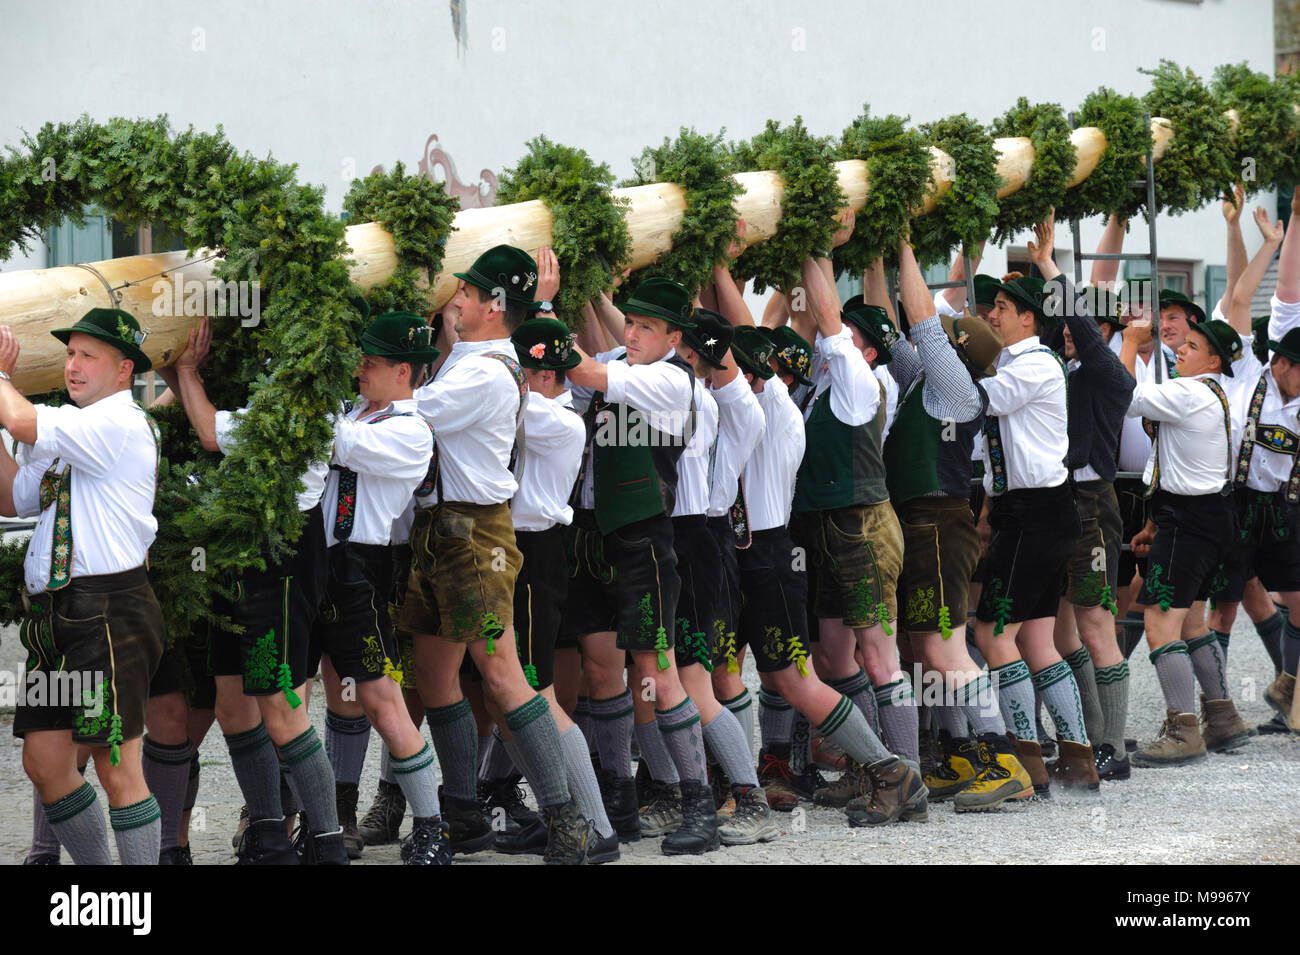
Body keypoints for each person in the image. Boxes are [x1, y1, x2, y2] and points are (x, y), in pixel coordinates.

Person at [404, 244, 592, 863]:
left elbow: (411, 414)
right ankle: (465, 817)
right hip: (440, 531)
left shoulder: (486, 372)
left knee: (506, 677)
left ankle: (568, 820)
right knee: (434, 676)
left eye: (466, 292)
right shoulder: (473, 355)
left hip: (477, 536)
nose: (454, 299)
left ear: (492, 306)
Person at [170, 316, 343, 863]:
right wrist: (184, 378)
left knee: (280, 703)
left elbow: (211, 432)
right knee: (231, 701)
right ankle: (269, 832)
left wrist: (186, 371)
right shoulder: (264, 363)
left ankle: (326, 841)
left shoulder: (311, 380)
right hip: (236, 538)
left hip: (282, 547)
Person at [564, 276, 727, 854]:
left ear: (674, 338)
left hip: (644, 541)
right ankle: (618, 803)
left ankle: (698, 803)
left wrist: (539, 307)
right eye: (629, 324)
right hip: (591, 536)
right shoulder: (627, 359)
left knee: (657, 674)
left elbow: (582, 371)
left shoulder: (668, 380)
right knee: (601, 669)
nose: (631, 334)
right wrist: (585, 295)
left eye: (646, 327)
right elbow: (591, 362)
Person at [0, 307, 166, 865]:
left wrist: (1, 380)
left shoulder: (117, 421)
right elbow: (11, 497)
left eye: (87, 356)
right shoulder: (74, 429)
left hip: (109, 611)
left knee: (115, 763)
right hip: (57, 615)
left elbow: (23, 422)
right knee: (46, 764)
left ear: (124, 371)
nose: (72, 366)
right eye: (69, 353)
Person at [882, 239, 1034, 811]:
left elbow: (920, 321)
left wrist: (904, 240)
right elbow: (894, 333)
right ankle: (959, 752)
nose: (935, 342)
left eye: (946, 342)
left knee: (945, 649)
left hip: (939, 525)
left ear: (956, 353)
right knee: (925, 648)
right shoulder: (928, 380)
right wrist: (878, 256)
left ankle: (1004, 759)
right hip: (921, 522)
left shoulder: (956, 388)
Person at [490, 313, 621, 863]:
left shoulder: (556, 419)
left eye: (522, 369)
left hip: (534, 555)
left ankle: (596, 825)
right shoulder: (543, 406)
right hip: (515, 553)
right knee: (509, 697)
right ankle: (560, 811)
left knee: (536, 694)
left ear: (543, 376)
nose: (515, 378)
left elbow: (504, 411)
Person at [972, 268, 1095, 796]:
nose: (991, 314)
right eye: (992, 306)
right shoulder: (1021, 362)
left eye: (1001, 307)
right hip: (1030, 511)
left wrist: (941, 354)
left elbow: (979, 399)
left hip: (1035, 514)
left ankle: (1026, 759)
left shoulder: (1035, 363)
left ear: (1029, 318)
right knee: (1038, 641)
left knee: (990, 633)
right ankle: (1076, 757)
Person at [1028, 214, 1136, 785]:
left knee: (1095, 622)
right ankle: (1088, 740)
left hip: (1094, 504)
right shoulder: (1061, 365)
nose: (1070, 331)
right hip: (1061, 502)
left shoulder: (1110, 372)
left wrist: (1049, 266)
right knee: (1065, 631)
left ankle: (1113, 747)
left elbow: (1084, 333)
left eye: (1083, 324)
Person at [1119, 308, 1245, 766]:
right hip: (1208, 514)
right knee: (1192, 621)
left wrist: (1130, 344)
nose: (1178, 351)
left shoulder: (1191, 391)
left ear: (1212, 363)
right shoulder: (1212, 391)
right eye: (1182, 344)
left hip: (1191, 521)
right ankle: (1224, 715)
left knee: (1158, 620)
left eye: (1191, 348)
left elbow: (1127, 399)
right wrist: (1155, 521)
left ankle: (1183, 730)